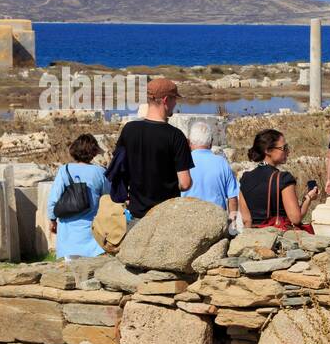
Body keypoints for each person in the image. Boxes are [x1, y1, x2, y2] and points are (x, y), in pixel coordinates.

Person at [110, 77, 193, 220]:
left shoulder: (129, 129)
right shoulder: (176, 136)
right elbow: (185, 183)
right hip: (164, 215)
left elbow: (119, 167)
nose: (175, 103)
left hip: (135, 212)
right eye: (174, 99)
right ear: (166, 100)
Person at [239, 129, 318, 230]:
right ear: (268, 151)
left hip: (254, 237)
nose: (288, 151)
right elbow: (295, 218)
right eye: (284, 148)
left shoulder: (245, 178)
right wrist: (308, 198)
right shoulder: (283, 178)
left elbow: (246, 220)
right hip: (277, 237)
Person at [48, 134, 108, 259]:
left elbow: (54, 198)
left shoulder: (65, 170)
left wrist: (52, 219)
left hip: (68, 232)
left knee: (72, 272)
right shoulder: (100, 172)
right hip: (92, 230)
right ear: (93, 152)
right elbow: (108, 197)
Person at [181, 120, 239, 213]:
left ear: (189, 142)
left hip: (188, 217)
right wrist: (232, 219)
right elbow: (232, 198)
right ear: (211, 142)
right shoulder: (222, 163)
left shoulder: (182, 162)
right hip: (216, 218)